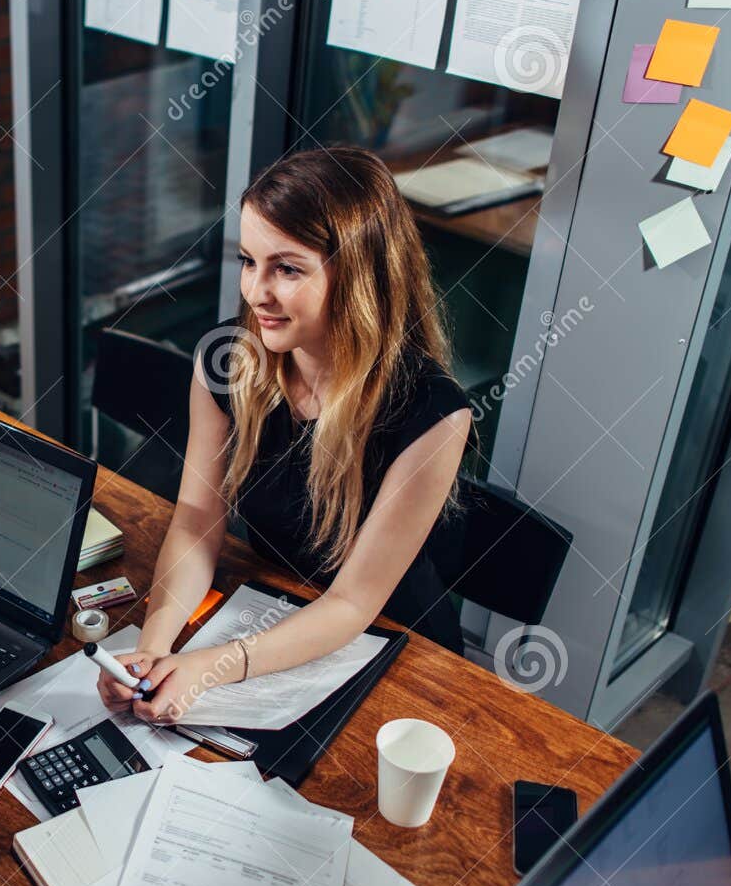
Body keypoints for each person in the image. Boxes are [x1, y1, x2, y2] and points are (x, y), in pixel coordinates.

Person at [98, 146, 471, 725]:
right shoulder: (229, 359)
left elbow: (351, 604)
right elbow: (198, 521)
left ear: (358, 275)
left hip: (396, 653)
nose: (256, 293)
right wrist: (156, 645)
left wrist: (211, 667)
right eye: (249, 261)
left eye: (287, 268)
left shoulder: (434, 413)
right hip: (270, 608)